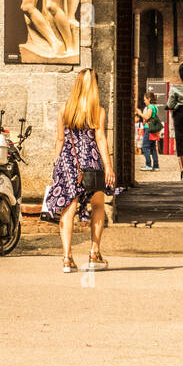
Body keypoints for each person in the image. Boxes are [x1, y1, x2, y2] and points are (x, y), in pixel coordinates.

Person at [48, 68, 116, 272]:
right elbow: (101, 139)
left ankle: (67, 257)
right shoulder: (98, 111)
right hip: (92, 161)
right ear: (93, 87)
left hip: (68, 160)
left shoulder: (65, 110)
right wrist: (108, 167)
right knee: (97, 206)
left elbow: (60, 139)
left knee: (68, 209)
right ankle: (94, 253)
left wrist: (56, 166)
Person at [136, 89, 162, 171]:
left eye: (145, 100)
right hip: (153, 129)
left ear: (149, 99)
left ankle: (148, 164)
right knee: (153, 147)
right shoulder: (155, 107)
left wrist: (140, 113)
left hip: (148, 129)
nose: (144, 102)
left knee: (145, 147)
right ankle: (156, 165)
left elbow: (147, 117)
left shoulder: (150, 107)